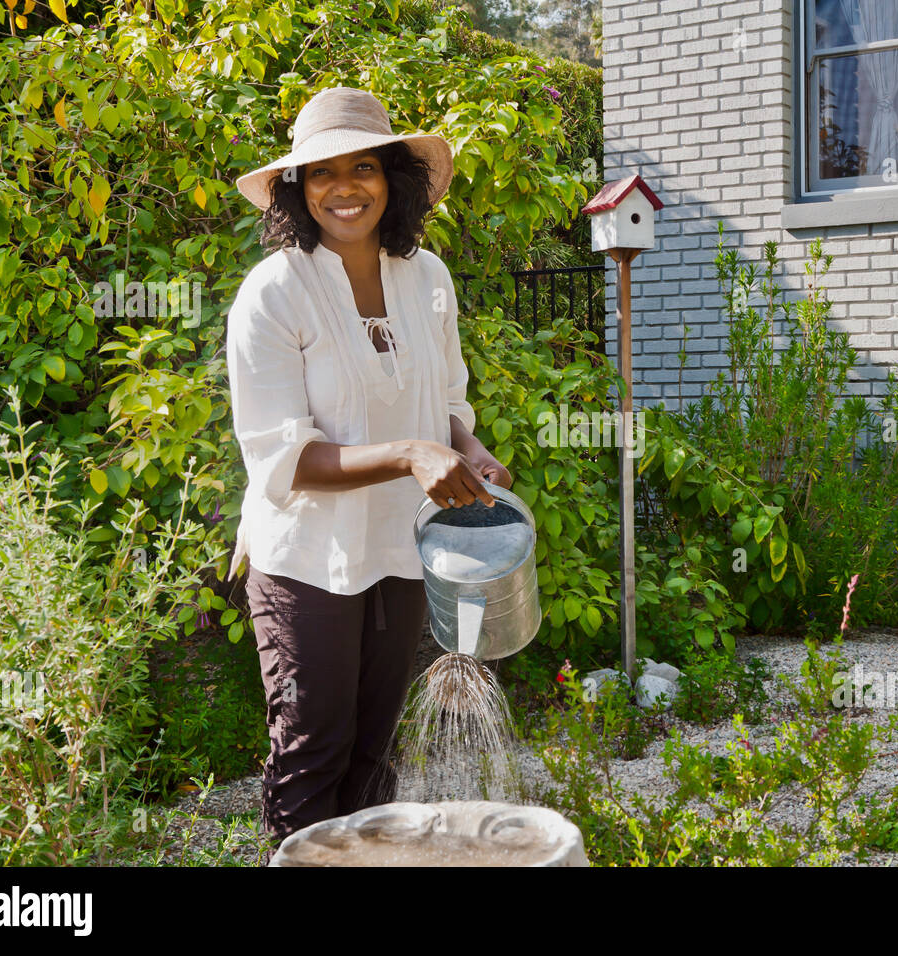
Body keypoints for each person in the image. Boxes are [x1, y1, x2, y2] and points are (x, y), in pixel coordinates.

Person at [224, 86, 512, 853]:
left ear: (394, 179)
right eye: (321, 173)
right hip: (306, 559)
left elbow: (445, 401)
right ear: (297, 187)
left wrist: (465, 449)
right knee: (312, 756)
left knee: (373, 762)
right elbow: (282, 457)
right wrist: (411, 454)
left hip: (400, 550)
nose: (344, 188)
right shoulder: (274, 293)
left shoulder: (429, 280)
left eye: (363, 167)